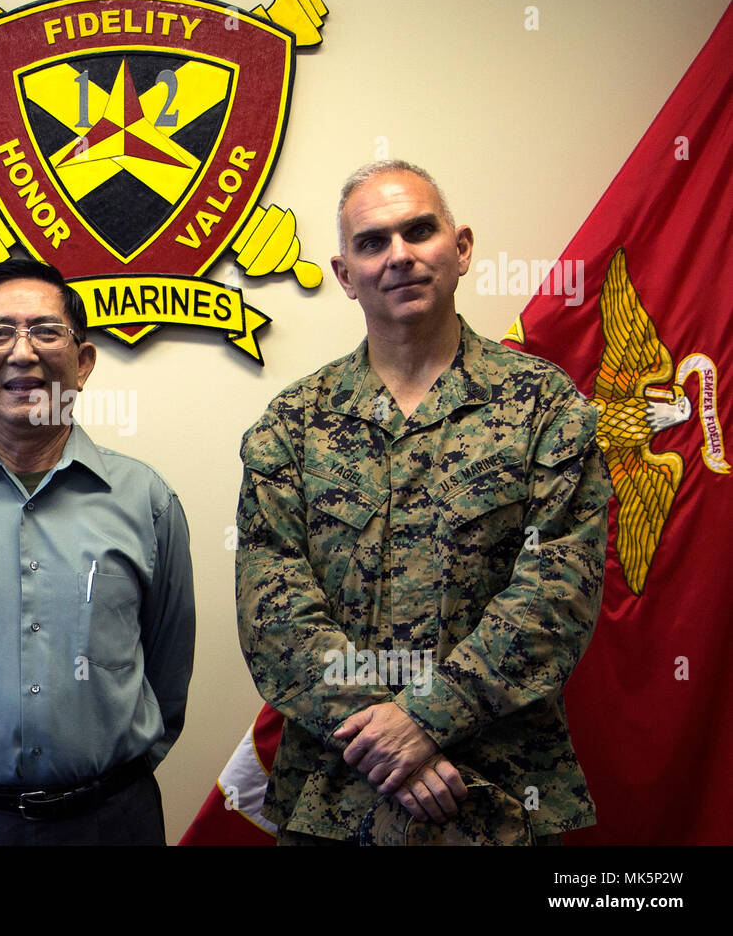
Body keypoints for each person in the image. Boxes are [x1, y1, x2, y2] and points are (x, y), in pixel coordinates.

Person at [236, 161, 610, 845]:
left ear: (461, 248)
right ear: (345, 274)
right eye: (373, 242)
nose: (399, 255)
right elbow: (273, 615)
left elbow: (556, 595)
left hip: (496, 800)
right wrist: (386, 740)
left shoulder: (546, 407)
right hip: (335, 799)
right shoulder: (291, 424)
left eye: (419, 231)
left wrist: (427, 718)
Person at [0, 258, 195, 845]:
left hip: (112, 822)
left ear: (85, 361)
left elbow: (168, 667)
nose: (23, 354)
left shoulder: (147, 501)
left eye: (47, 332)